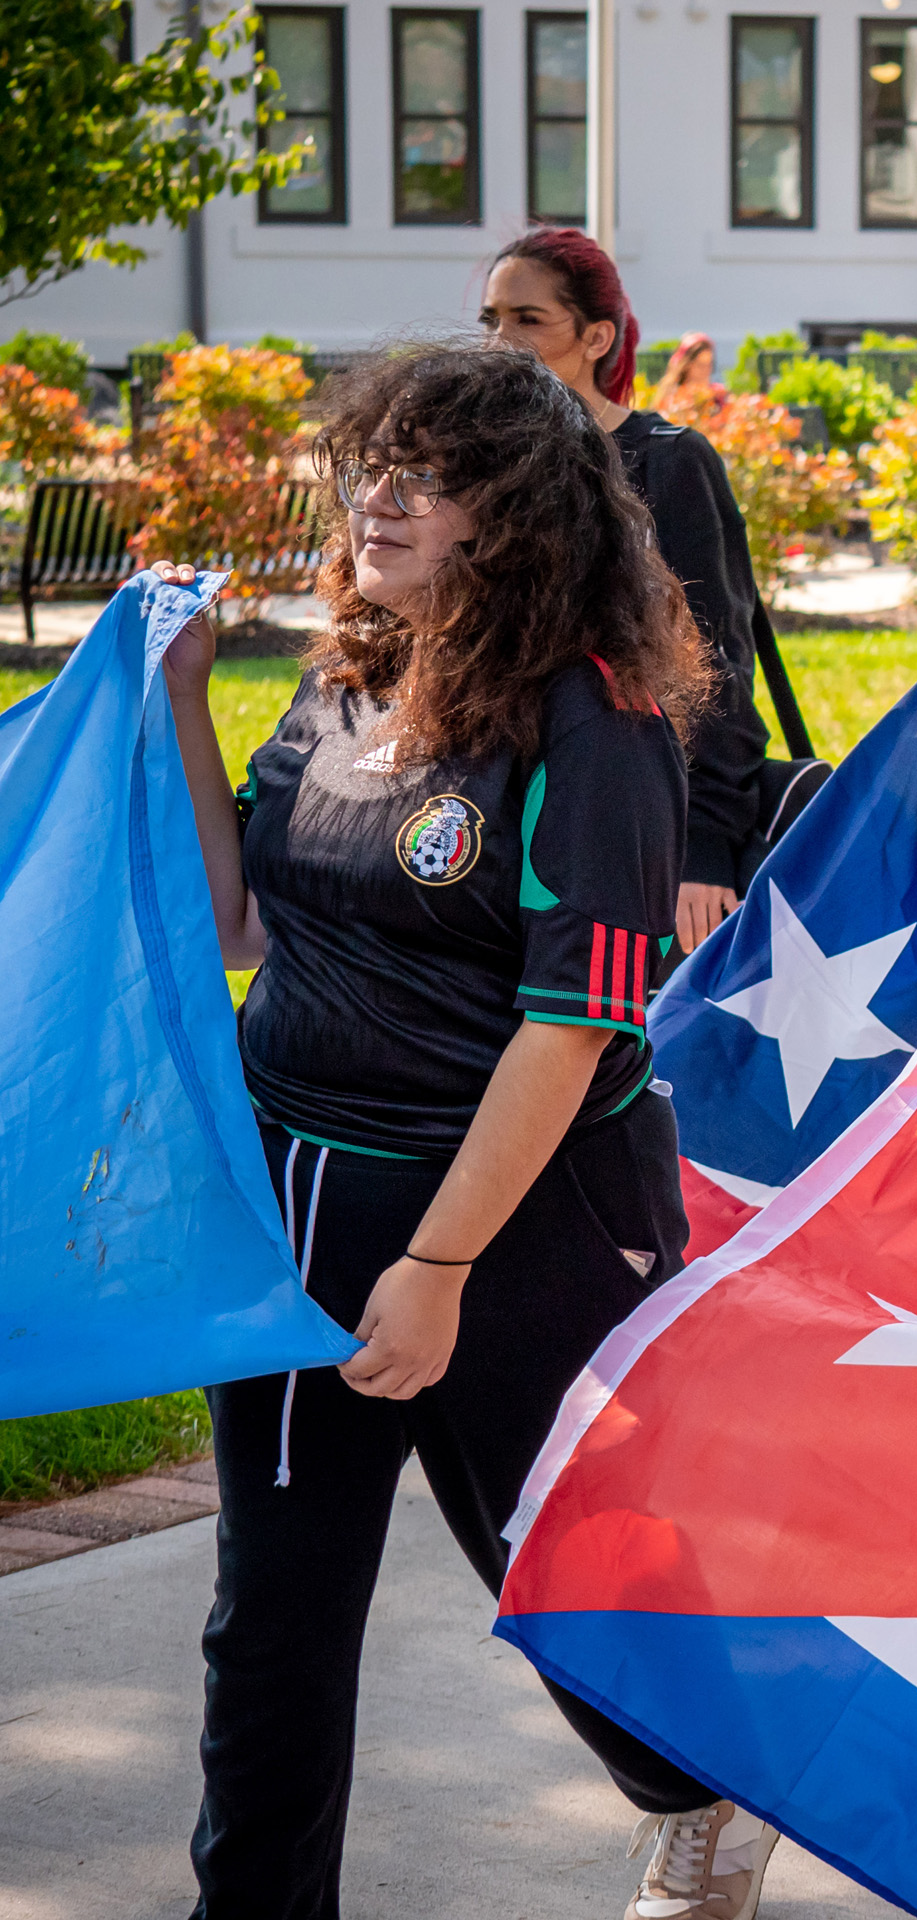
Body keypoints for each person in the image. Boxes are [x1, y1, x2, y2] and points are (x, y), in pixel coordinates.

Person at [153, 347, 783, 1920]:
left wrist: (437, 1267)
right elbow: (242, 925)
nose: (380, 496)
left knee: (554, 1562)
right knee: (275, 1608)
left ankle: (698, 1794)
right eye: (372, 464)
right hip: (301, 1207)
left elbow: (572, 1031)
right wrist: (178, 696)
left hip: (521, 1216)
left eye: (429, 476)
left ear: (516, 514)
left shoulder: (599, 722)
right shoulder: (344, 680)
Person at [480, 227, 772, 954]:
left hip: (631, 819)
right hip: (492, 811)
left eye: (527, 318)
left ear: (597, 337)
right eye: (490, 319)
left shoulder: (668, 463)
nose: (499, 341)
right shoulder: (476, 469)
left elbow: (717, 663)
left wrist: (704, 845)